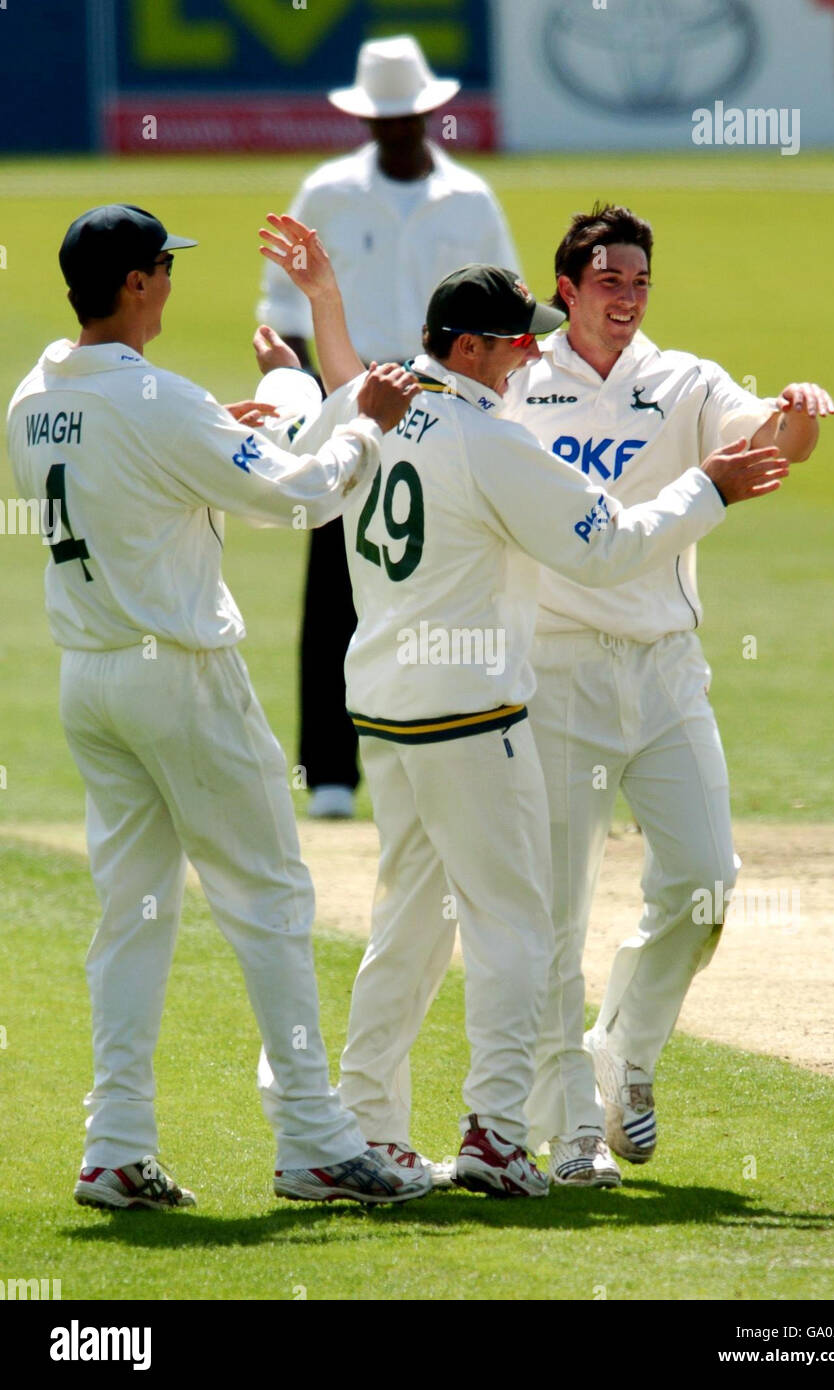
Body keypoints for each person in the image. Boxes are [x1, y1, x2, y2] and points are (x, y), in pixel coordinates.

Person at [252, 213, 788, 1196]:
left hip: (382, 710)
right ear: (467, 348)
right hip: (470, 716)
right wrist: (707, 489)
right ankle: (498, 1133)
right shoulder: (486, 436)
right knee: (511, 923)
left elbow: (301, 462)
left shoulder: (371, 400)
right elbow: (609, 545)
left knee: (408, 925)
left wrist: (285, 376)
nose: (531, 355)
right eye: (514, 342)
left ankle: (367, 1122)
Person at [6, 202, 429, 1210]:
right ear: (140, 282)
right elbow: (303, 499)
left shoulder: (32, 394)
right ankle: (317, 1143)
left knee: (133, 913)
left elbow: (146, 474)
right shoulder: (157, 400)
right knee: (272, 898)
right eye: (164, 267)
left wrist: (224, 432)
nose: (171, 282)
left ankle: (114, 1146)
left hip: (92, 680)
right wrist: (362, 424)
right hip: (181, 674)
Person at [499, 203, 834, 1182]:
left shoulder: (681, 380)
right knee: (558, 909)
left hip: (666, 669)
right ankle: (568, 1131)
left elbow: (777, 441)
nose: (629, 299)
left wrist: (800, 412)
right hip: (557, 668)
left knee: (701, 885)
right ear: (568, 288)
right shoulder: (522, 382)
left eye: (641, 282)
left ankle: (626, 1055)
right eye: (610, 282)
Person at [256, 34, 520, 820]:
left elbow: (505, 307)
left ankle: (429, 746)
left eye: (409, 115)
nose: (398, 128)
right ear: (367, 120)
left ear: (429, 113)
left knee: (439, 575)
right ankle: (330, 772)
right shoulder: (329, 191)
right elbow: (281, 313)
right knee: (334, 587)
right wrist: (326, 408)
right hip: (354, 396)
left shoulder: (470, 198)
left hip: (448, 405)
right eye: (385, 117)